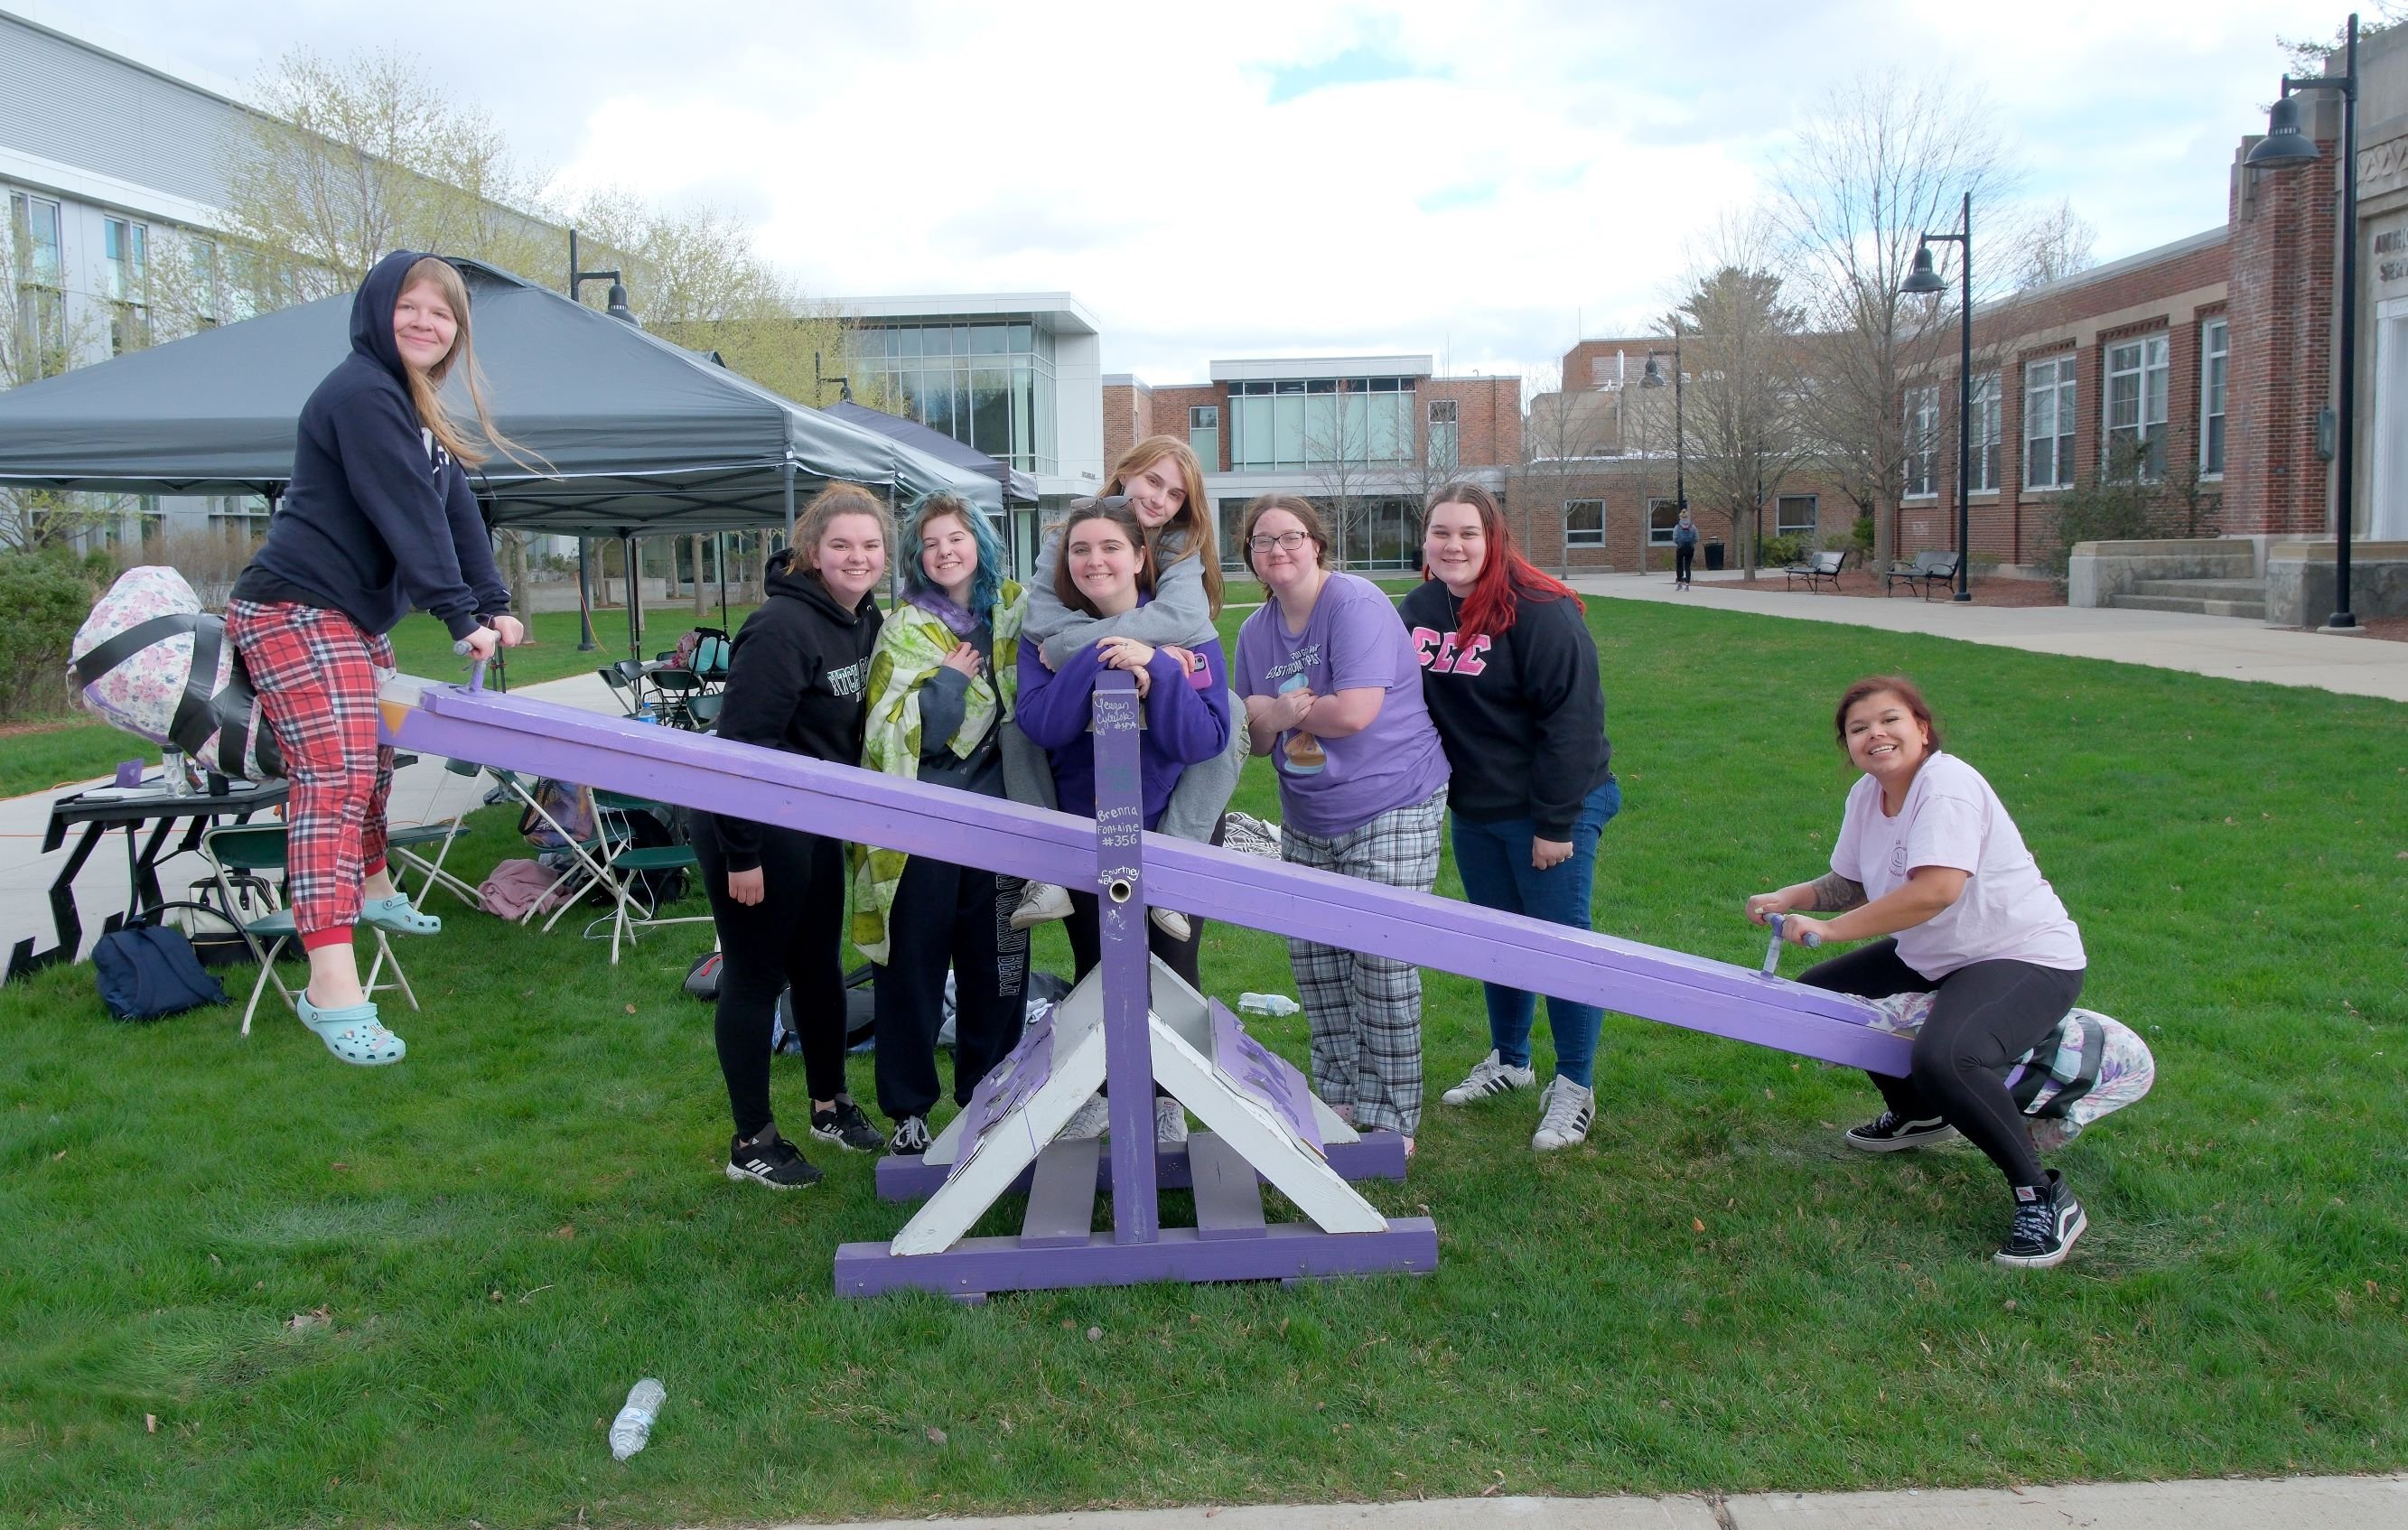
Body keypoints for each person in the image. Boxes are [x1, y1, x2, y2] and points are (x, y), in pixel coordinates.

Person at [225, 250, 526, 1067]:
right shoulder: (361, 393)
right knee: (335, 775)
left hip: (349, 616)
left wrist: (493, 599)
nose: (427, 322)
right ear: (377, 308)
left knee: (378, 755)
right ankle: (330, 984)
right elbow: (404, 514)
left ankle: (374, 884)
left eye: (444, 314)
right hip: (295, 608)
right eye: (412, 306)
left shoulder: (415, 407)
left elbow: (455, 509)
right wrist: (459, 614)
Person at [1746, 676, 2092, 1269]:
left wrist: (1829, 930)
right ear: (1848, 746)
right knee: (1819, 1003)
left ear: (1922, 730)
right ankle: (1920, 1115)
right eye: (1858, 729)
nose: (1875, 733)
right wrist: (1790, 895)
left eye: (1890, 720)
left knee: (1949, 1057)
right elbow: (1850, 883)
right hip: (1937, 952)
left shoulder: (1947, 786)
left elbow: (1935, 891)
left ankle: (2044, 1195)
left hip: (2019, 953)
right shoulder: (1867, 796)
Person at [1402, 483, 1619, 1152]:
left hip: (1554, 805)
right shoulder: (1419, 608)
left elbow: (1575, 725)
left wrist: (1554, 825)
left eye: (1468, 533)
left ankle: (1575, 1085)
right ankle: (1510, 1061)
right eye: (1442, 532)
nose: (1454, 545)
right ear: (1427, 541)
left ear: (1494, 539)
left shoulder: (1541, 611)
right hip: (1478, 806)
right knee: (1497, 938)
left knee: (1559, 944)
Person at [1233, 496, 1450, 1153]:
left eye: (1292, 538)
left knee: (1381, 958)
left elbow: (1355, 713)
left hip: (1393, 799)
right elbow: (1256, 735)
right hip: (1308, 813)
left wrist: (1283, 708)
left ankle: (1390, 1119)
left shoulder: (1353, 604)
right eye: (1264, 542)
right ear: (1251, 558)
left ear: (1317, 544)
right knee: (1317, 960)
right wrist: (1280, 713)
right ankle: (1340, 1096)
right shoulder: (1253, 634)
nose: (1279, 552)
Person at [1013, 499, 1231, 1144]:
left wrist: (1159, 668)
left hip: (1169, 826)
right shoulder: (1044, 640)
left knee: (1169, 967)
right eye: (1081, 549)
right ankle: (1101, 1093)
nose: (1095, 560)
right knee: (1097, 967)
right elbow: (1042, 724)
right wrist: (1102, 655)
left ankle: (1169, 1098)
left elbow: (1203, 739)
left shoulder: (1192, 638)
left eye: (1111, 547)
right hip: (1086, 832)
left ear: (1140, 557)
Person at [693, 484, 891, 1189]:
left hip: (814, 825)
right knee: (754, 976)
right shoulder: (781, 627)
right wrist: (742, 852)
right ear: (812, 551)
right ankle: (751, 1142)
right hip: (751, 828)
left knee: (818, 970)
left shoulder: (864, 620)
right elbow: (739, 748)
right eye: (841, 545)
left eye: (870, 546)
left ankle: (829, 1106)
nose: (857, 557)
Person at [852, 493, 1030, 1156]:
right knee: (912, 970)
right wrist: (949, 684)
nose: (945, 550)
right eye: (930, 543)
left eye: (957, 537)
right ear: (916, 558)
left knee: (1000, 970)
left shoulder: (1016, 611)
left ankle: (990, 1094)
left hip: (1001, 826)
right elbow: (906, 738)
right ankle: (908, 1108)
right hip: (924, 828)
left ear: (979, 541)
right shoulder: (905, 627)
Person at [1006, 436, 1239, 942]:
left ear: (1137, 558)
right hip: (1086, 809)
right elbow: (1041, 617)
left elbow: (1182, 616)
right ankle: (1042, 871)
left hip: (1162, 793)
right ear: (1126, 471)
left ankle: (1182, 857)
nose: (1159, 499)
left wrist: (1102, 650)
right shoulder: (1070, 531)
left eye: (1175, 494)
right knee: (1014, 721)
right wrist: (1097, 653)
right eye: (1153, 481)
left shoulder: (1178, 545)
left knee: (1232, 711)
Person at [1671, 508, 1699, 589]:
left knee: (1679, 565)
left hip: (1680, 548)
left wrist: (1679, 543)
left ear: (1680, 517)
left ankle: (1679, 583)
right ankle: (1687, 585)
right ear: (1687, 517)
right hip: (1690, 548)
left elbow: (1674, 538)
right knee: (1688, 565)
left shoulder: (1677, 526)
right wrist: (1691, 543)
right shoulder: (1692, 526)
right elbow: (1697, 538)